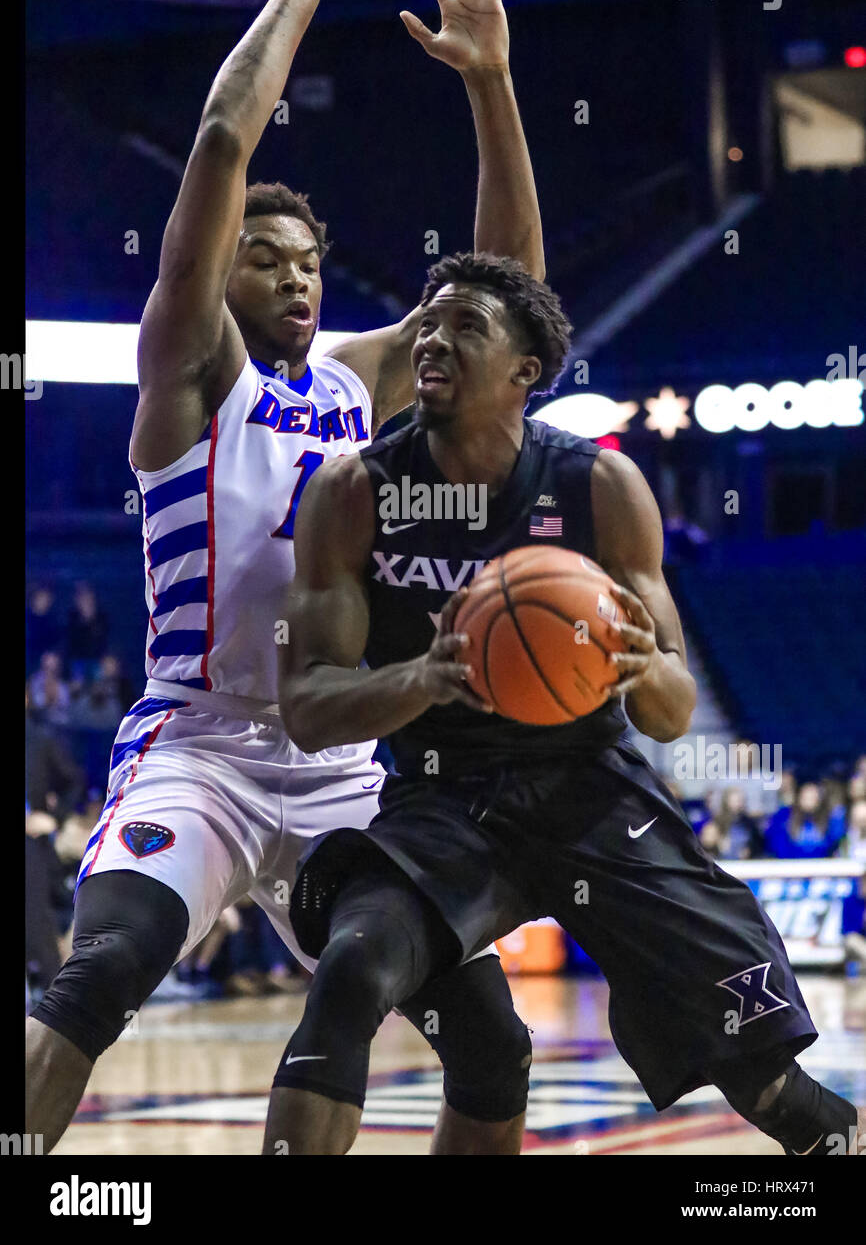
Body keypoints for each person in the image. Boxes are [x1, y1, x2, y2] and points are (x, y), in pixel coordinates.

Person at [26, 0, 545, 1157]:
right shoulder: (189, 370)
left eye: (309, 258)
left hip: (336, 755)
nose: (295, 273)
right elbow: (217, 142)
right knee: (101, 976)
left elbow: (503, 303)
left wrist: (489, 86)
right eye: (268, 256)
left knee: (492, 1042)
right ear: (224, 276)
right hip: (199, 744)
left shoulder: (358, 386)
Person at [274, 251, 862, 1156]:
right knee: (351, 969)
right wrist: (420, 680)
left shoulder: (598, 485)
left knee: (769, 1079)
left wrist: (640, 665)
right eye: (427, 321)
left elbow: (671, 711)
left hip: (591, 787)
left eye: (466, 324)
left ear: (527, 371)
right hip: (444, 796)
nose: (432, 338)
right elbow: (309, 708)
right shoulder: (356, 490)